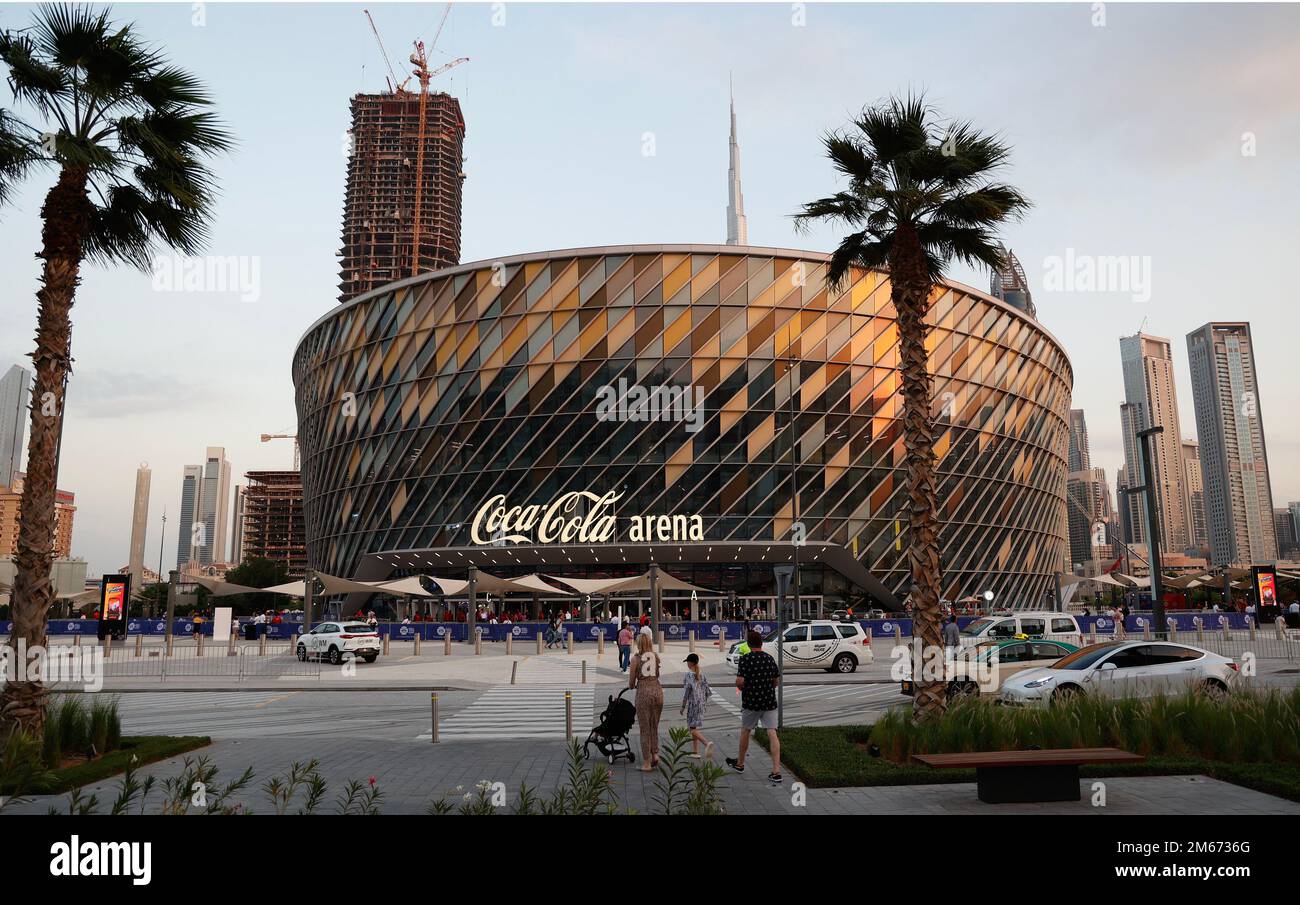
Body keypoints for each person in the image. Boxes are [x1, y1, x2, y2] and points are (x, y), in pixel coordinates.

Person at [726, 631, 782, 784]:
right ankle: (776, 771)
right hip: (769, 701)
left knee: (746, 730)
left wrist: (744, 687)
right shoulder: (769, 659)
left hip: (751, 702)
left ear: (749, 644)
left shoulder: (746, 659)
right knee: (772, 732)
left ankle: (740, 763)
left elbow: (739, 681)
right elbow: (775, 681)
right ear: (761, 643)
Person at [628, 633, 663, 771]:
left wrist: (634, 683)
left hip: (643, 693)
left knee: (645, 729)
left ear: (639, 644)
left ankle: (647, 763)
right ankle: (655, 754)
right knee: (654, 725)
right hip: (657, 691)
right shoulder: (656, 657)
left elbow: (631, 683)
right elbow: (658, 675)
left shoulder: (635, 659)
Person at [680, 653, 713, 759]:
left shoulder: (688, 675)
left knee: (691, 729)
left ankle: (706, 743)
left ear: (691, 663)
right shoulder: (702, 675)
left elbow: (687, 692)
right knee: (694, 727)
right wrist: (703, 703)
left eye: (688, 662)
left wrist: (683, 706)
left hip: (693, 705)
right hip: (701, 704)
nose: (687, 664)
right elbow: (708, 692)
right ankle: (695, 752)